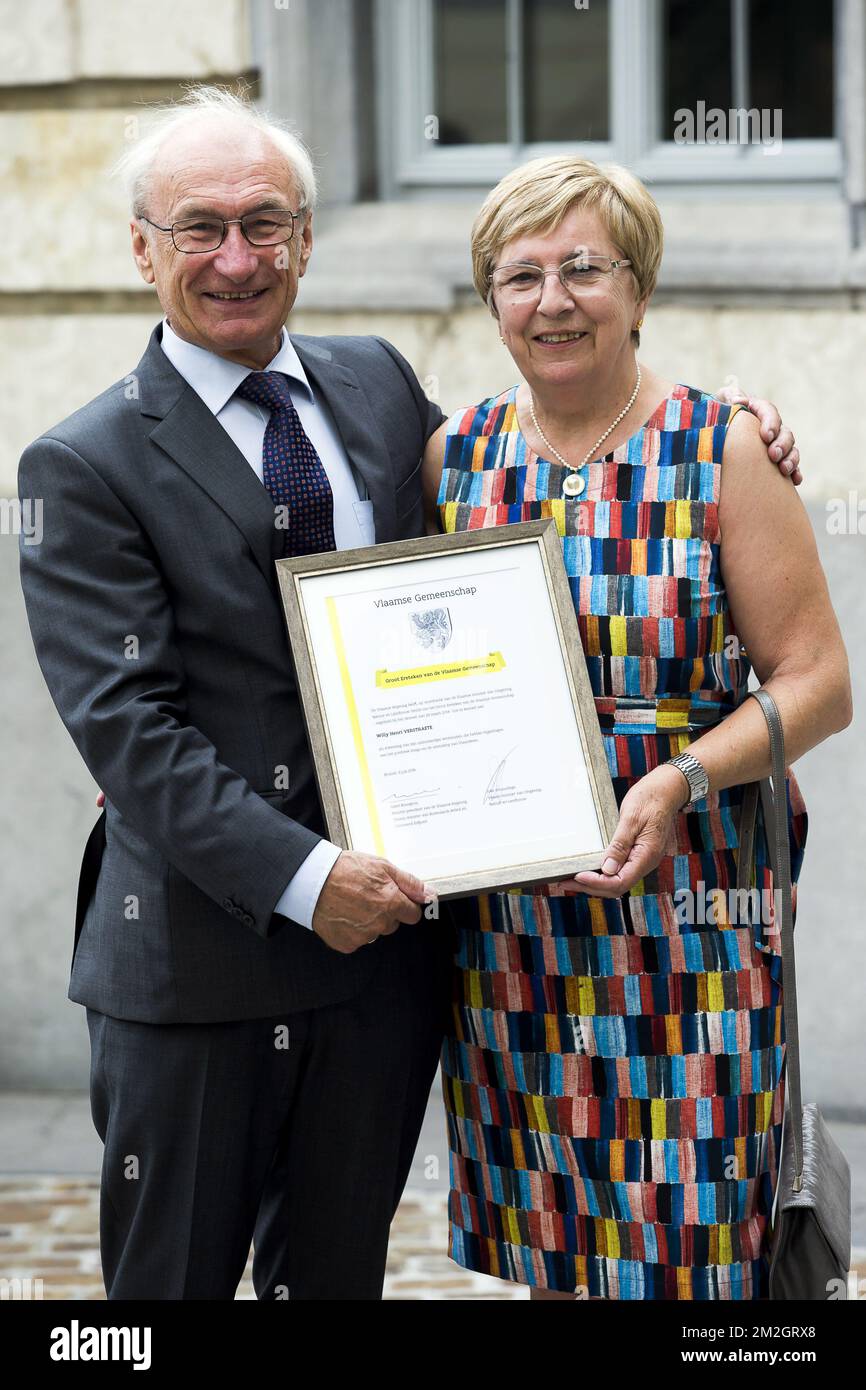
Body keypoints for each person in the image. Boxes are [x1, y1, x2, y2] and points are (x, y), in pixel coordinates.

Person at [17, 83, 800, 1302]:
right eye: (199, 229)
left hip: (392, 960)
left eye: (265, 223)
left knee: (334, 1284)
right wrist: (305, 876)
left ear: (307, 238)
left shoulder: (379, 391)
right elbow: (129, 734)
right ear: (140, 248)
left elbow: (529, 508)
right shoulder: (81, 461)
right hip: (203, 963)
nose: (237, 258)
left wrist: (739, 427)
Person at [422, 155, 852, 1300]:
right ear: (489, 299)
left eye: (582, 269)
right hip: (516, 919)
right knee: (552, 1216)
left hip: (694, 908)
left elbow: (818, 683)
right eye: (519, 275)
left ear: (639, 285)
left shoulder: (721, 450)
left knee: (697, 1227)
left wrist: (680, 781)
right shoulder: (452, 457)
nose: (551, 300)